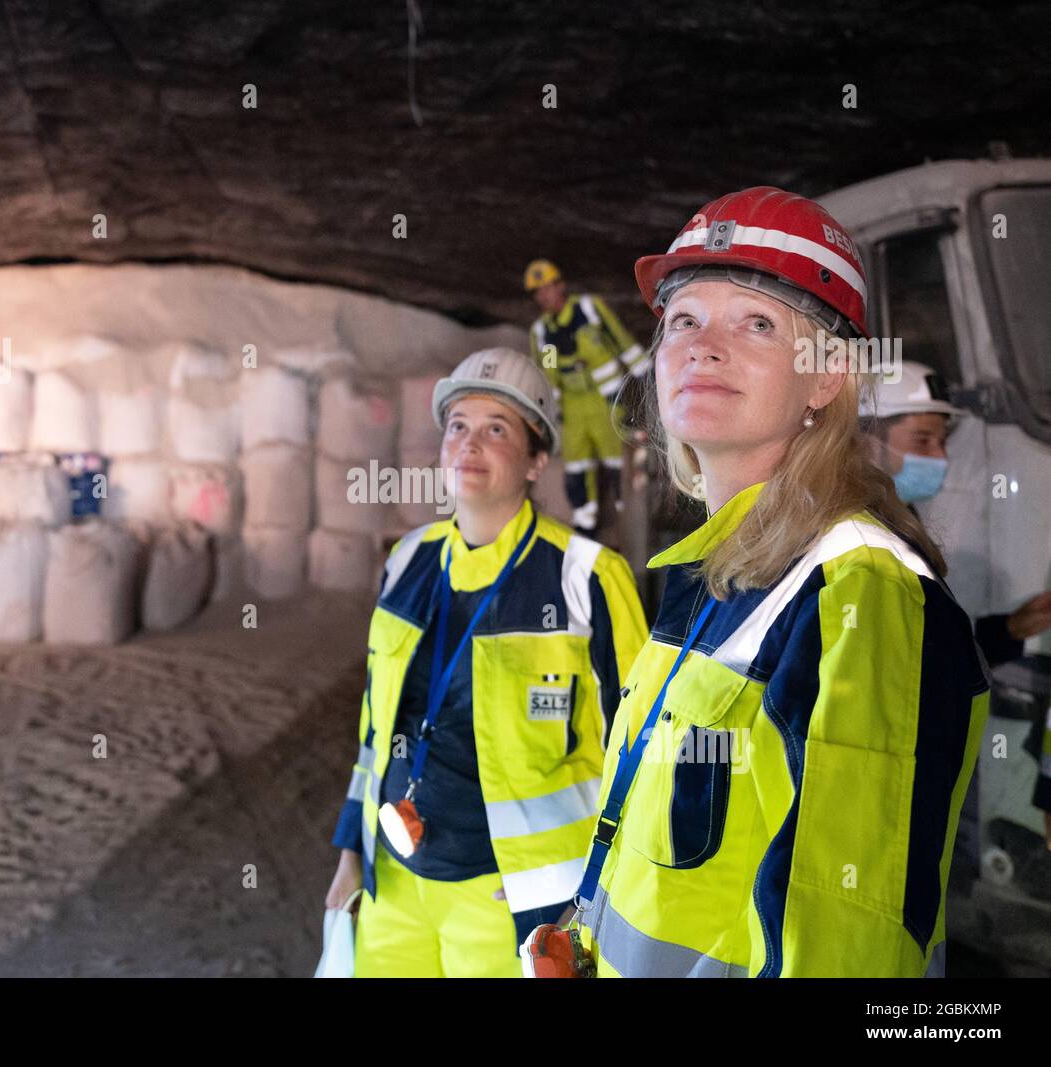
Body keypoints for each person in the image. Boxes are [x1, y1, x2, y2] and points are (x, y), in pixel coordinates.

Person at [571, 186, 989, 977]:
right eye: (684, 320)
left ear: (826, 377)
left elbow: (843, 945)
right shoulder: (707, 576)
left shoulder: (859, 589)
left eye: (757, 322)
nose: (703, 345)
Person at [324, 347, 648, 977]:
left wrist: (592, 893)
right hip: (394, 883)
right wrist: (349, 851)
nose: (470, 444)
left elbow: (639, 756)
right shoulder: (407, 561)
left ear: (536, 460)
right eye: (458, 426)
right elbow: (375, 727)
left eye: (496, 429)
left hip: (511, 899)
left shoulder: (586, 578)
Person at [861, 361, 1051, 849]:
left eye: (942, 440)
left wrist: (1009, 629)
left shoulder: (900, 522)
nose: (940, 456)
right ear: (862, 438)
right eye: (922, 440)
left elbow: (926, 652)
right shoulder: (853, 541)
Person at [524, 260, 650, 535]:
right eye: (539, 293)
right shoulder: (542, 331)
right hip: (572, 406)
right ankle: (585, 526)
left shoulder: (589, 309)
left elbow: (619, 338)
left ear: (560, 286)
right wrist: (551, 408)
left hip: (604, 399)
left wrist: (648, 376)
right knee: (576, 467)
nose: (545, 296)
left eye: (549, 288)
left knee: (617, 461)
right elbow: (549, 369)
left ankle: (626, 521)